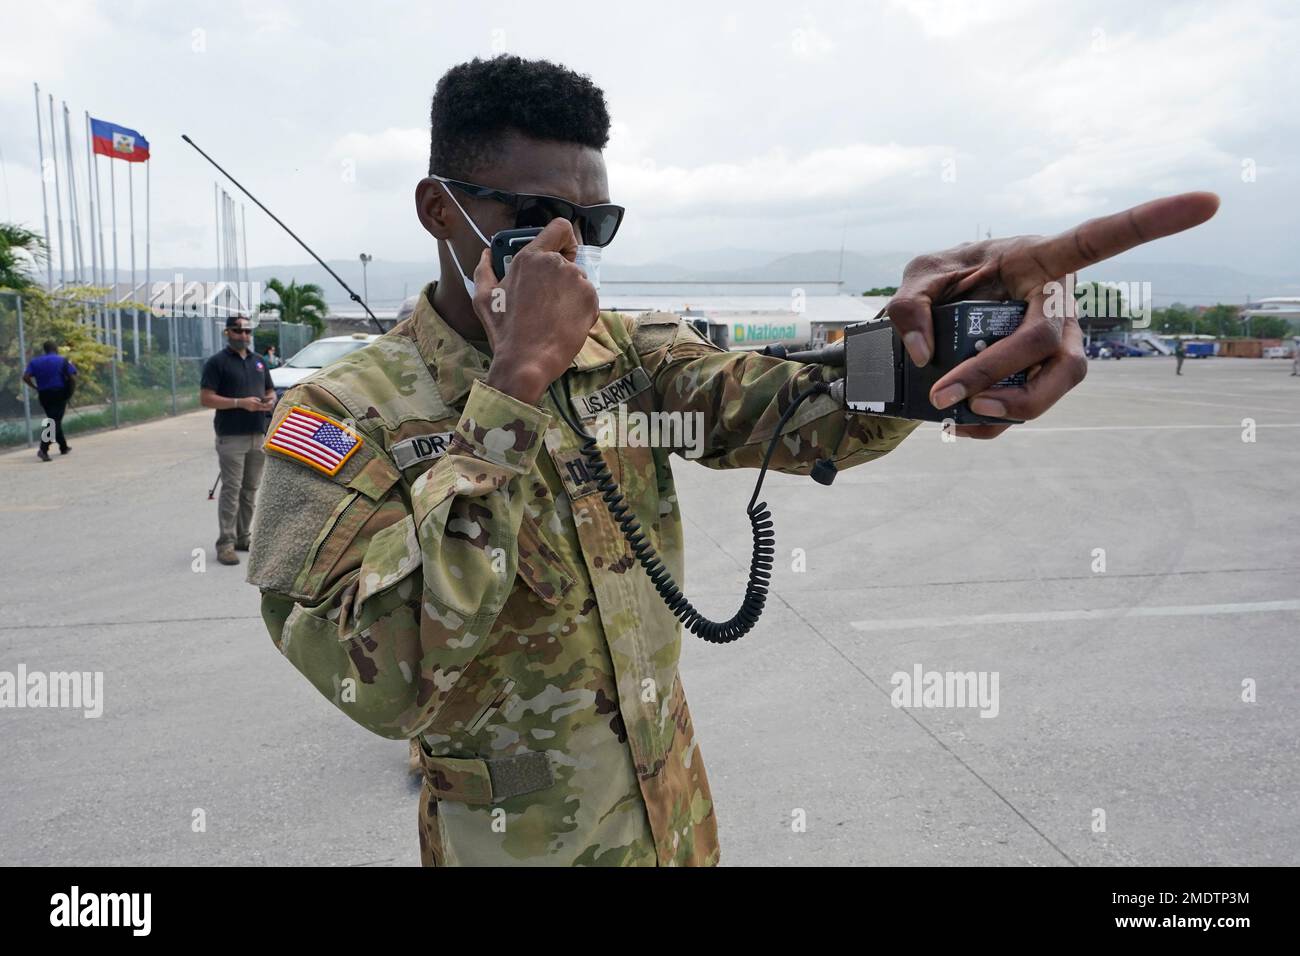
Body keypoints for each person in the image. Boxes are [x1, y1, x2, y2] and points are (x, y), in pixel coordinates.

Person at [245, 55, 1219, 867]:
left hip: (675, 830)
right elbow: (385, 684)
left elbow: (801, 409)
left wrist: (942, 348)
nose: (567, 249)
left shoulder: (623, 355)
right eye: (532, 213)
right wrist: (513, 390)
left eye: (595, 223)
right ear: (437, 210)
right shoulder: (335, 415)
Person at [200, 316, 275, 566]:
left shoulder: (259, 362)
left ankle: (244, 537)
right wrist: (239, 403)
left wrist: (270, 400)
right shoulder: (217, 363)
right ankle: (226, 544)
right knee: (231, 490)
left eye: (246, 330)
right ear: (227, 332)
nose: (243, 335)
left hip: (257, 434)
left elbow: (269, 390)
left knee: (250, 490)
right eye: (237, 330)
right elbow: (207, 398)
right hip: (231, 436)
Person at [22, 341, 77, 462]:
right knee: (54, 421)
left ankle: (63, 447)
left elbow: (25, 377)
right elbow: (72, 378)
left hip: (44, 394)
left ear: (45, 349)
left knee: (53, 419)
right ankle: (43, 449)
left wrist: (35, 387)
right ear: (56, 348)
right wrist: (70, 392)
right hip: (59, 393)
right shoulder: (62, 360)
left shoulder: (35, 361)